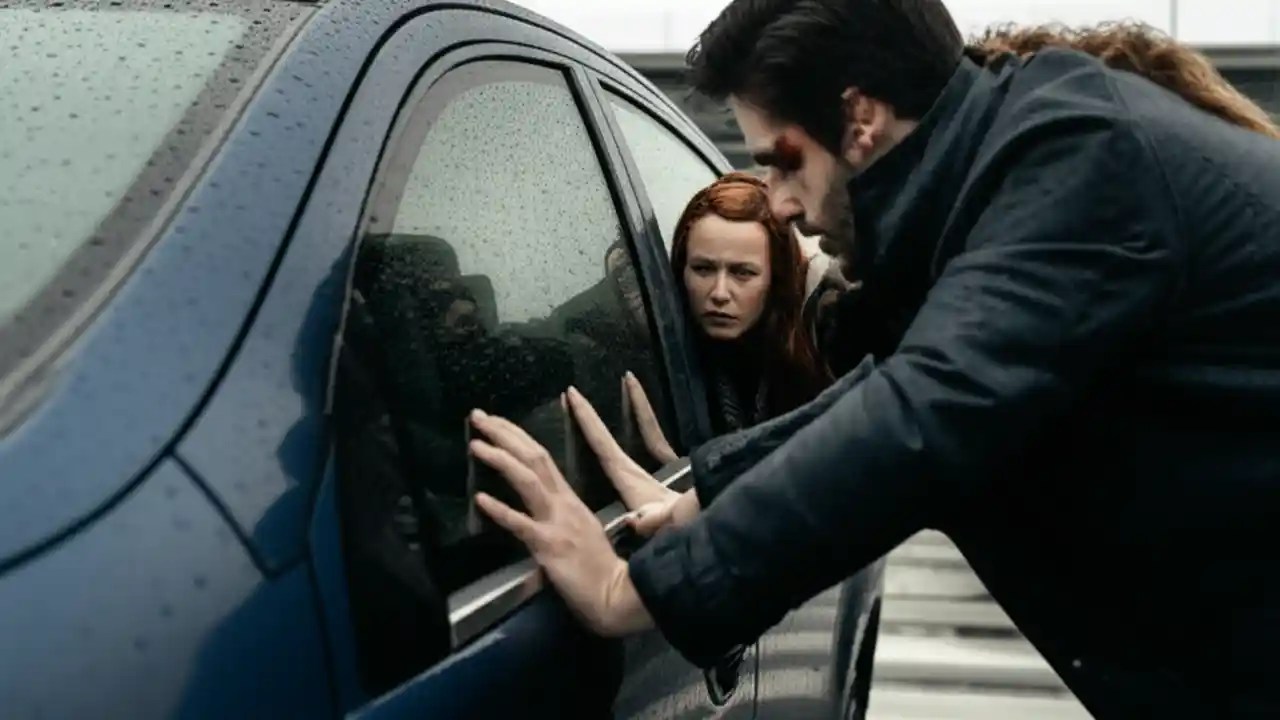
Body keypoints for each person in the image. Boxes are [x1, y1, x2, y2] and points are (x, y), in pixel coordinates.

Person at [469, 4, 1280, 718]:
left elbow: (925, 412)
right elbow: (897, 380)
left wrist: (631, 591)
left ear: (858, 118)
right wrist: (703, 498)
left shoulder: (1084, 161)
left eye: (783, 161)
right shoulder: (1018, 161)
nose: (778, 202)